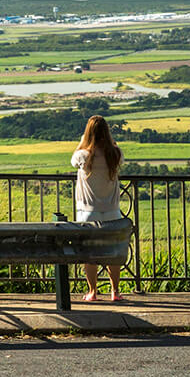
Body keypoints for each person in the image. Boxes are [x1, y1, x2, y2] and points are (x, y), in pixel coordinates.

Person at [71, 115, 126, 302]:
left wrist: (82, 142)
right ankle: (115, 291)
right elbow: (117, 154)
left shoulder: (83, 155)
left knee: (89, 254)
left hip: (88, 212)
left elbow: (73, 161)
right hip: (112, 211)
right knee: (113, 253)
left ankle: (92, 292)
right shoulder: (115, 154)